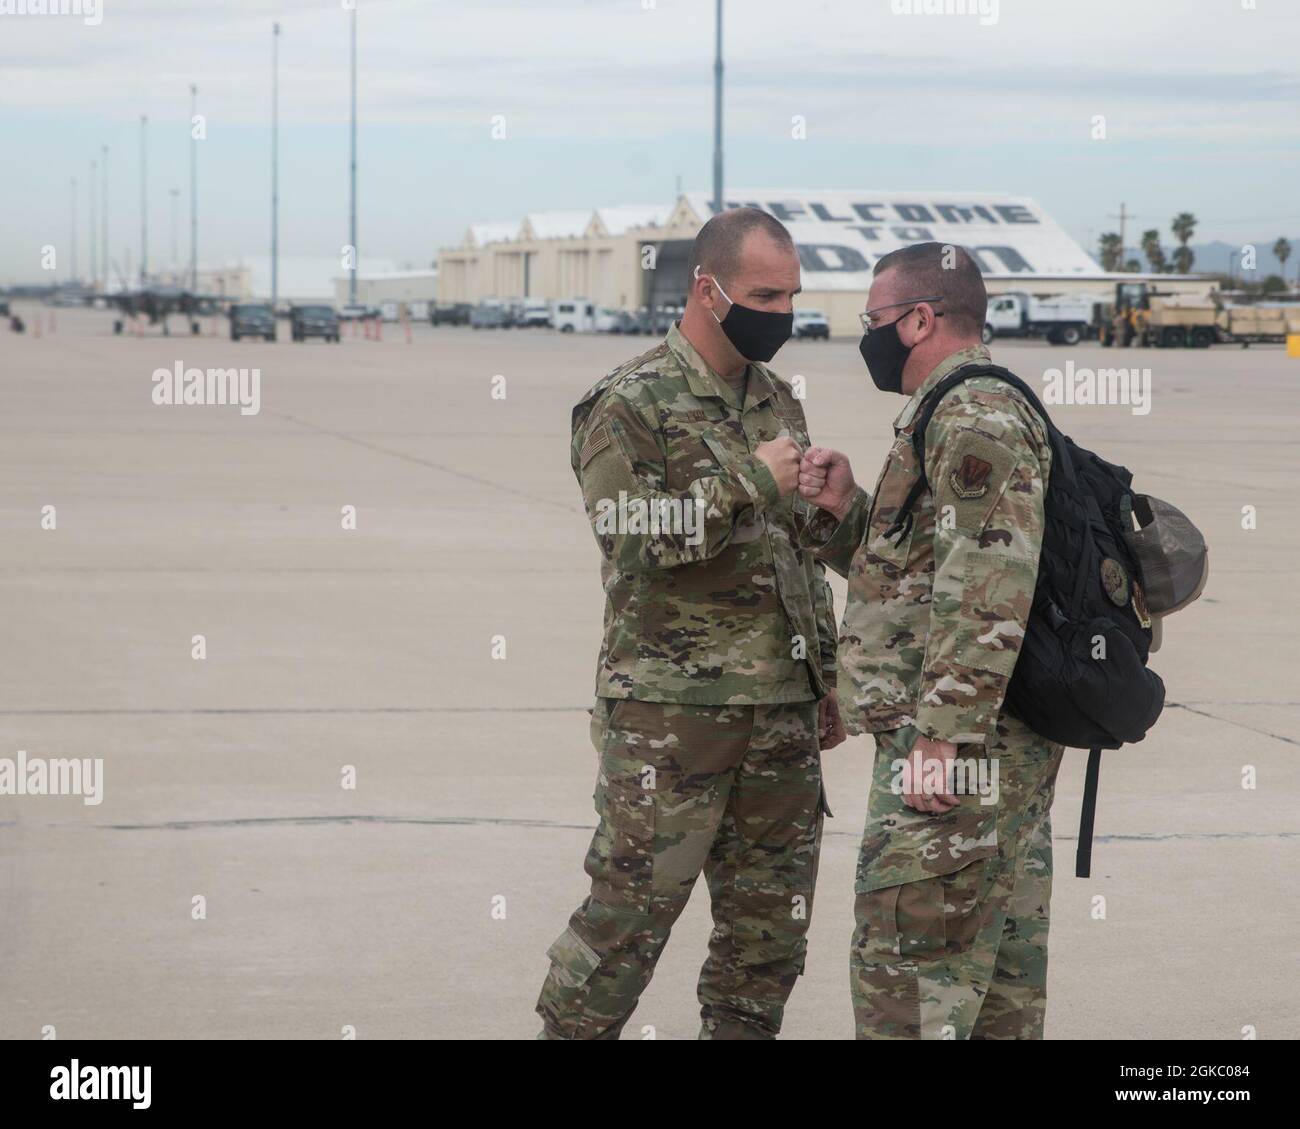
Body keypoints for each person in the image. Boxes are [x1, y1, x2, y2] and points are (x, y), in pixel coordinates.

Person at [537, 208, 844, 1039]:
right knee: (624, 929)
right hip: (671, 723)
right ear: (708, 291)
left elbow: (797, 553)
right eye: (764, 294)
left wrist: (826, 677)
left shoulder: (777, 398)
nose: (782, 313)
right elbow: (629, 537)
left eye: (792, 295)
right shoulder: (629, 402)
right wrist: (749, 479)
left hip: (779, 718)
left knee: (766, 944)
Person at [797, 242, 1062, 1039]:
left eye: (874, 320)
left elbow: (989, 592)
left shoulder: (973, 415)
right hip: (986, 741)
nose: (867, 336)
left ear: (919, 319)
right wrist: (851, 512)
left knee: (908, 982)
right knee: (994, 989)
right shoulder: (952, 412)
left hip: (956, 752)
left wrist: (943, 739)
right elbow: (929, 579)